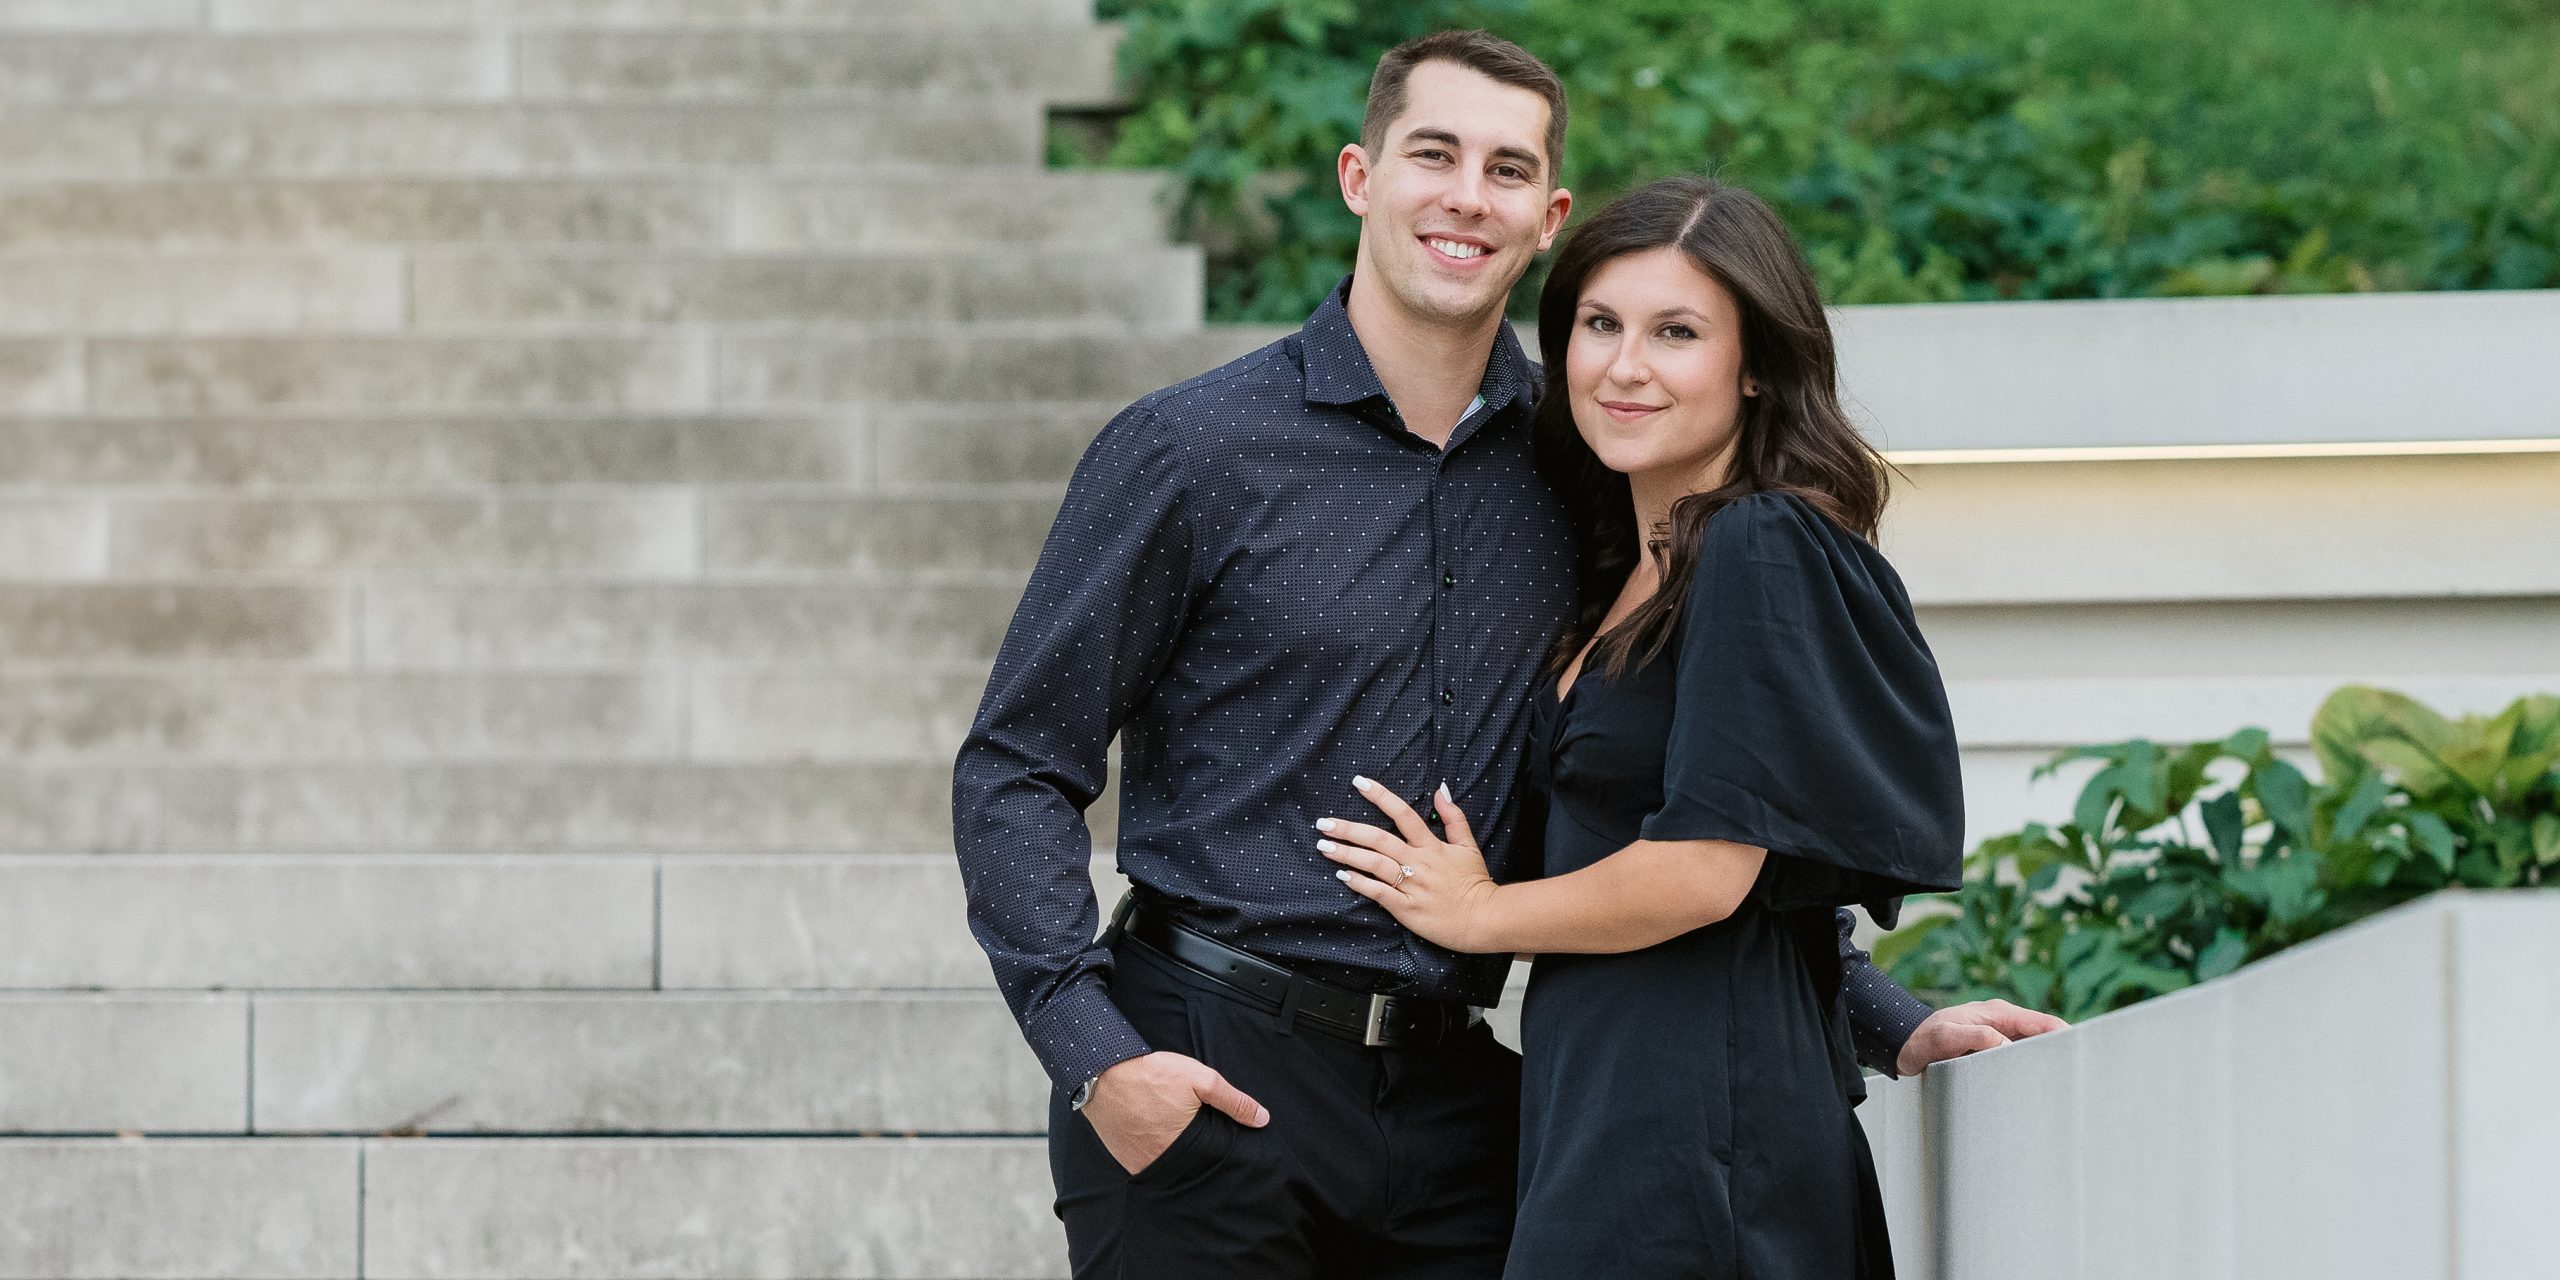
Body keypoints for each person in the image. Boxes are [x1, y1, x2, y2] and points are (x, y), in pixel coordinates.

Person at [951, 30, 2062, 1280]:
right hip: (1213, 1066)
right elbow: (1015, 761)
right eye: (1435, 154)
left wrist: (1892, 1025)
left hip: (1474, 1110)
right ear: (1360, 176)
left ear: (1549, 214)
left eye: (1506, 168)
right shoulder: (1190, 450)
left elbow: (1652, 804)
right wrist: (1094, 1051)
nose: (1467, 197)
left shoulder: (1588, 471)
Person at [1321, 174, 1964, 1278]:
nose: (1625, 365)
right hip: (1611, 1099)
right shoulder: (1626, 568)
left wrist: (1480, 911)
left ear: (1753, 362)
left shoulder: (1758, 544)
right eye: (1598, 325)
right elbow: (1773, 878)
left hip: (1698, 1130)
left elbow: (1709, 870)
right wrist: (1894, 1021)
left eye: (1676, 332)